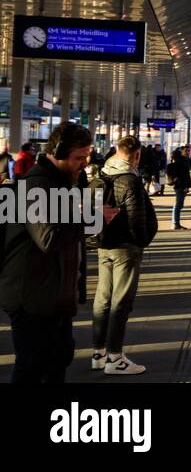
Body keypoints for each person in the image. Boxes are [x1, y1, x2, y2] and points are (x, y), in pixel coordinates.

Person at [0, 122, 93, 383]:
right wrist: (90, 220)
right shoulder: (37, 185)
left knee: (58, 359)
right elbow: (49, 237)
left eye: (86, 156)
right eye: (79, 157)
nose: (84, 163)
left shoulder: (59, 183)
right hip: (31, 297)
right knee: (31, 366)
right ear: (60, 152)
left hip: (52, 295)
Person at [88, 136, 157, 376]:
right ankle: (116, 358)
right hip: (125, 248)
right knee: (121, 302)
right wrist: (141, 242)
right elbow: (137, 219)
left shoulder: (101, 175)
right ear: (136, 155)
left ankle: (98, 353)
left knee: (102, 298)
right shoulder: (130, 180)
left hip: (103, 245)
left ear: (117, 150)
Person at [165, 149, 191, 230]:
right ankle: (175, 223)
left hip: (178, 186)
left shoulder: (175, 164)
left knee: (178, 204)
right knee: (178, 205)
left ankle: (176, 223)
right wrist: (187, 186)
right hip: (181, 186)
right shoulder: (183, 163)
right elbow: (186, 176)